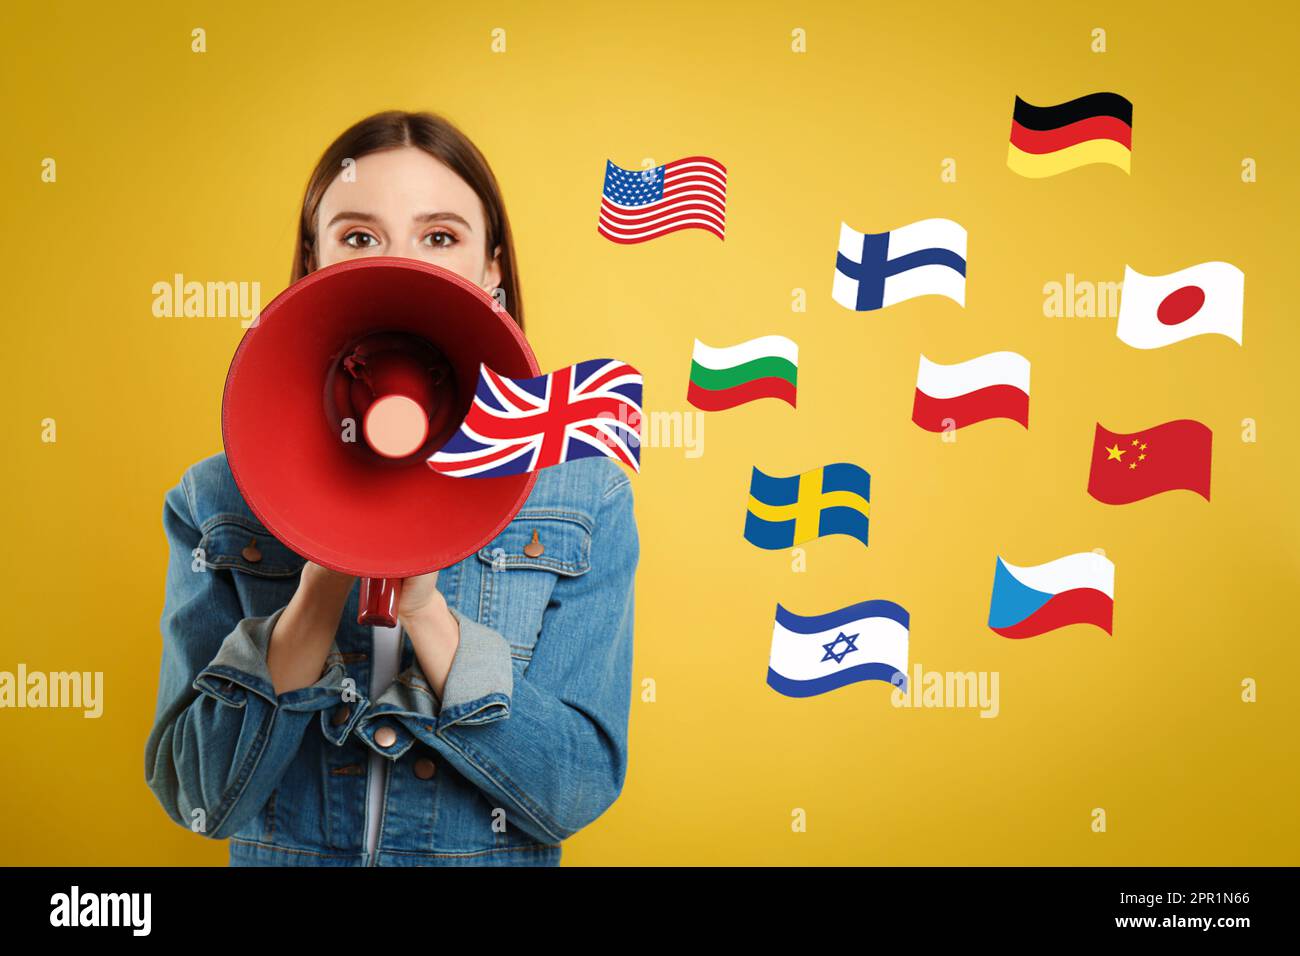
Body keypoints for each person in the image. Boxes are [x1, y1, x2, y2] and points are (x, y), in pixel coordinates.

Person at [144, 111, 639, 866]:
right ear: (313, 259)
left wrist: (427, 617)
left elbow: (572, 792)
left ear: (493, 266)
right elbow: (196, 795)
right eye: (359, 236)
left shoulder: (580, 494)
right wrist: (315, 597)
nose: (398, 263)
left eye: (439, 237)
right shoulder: (219, 497)